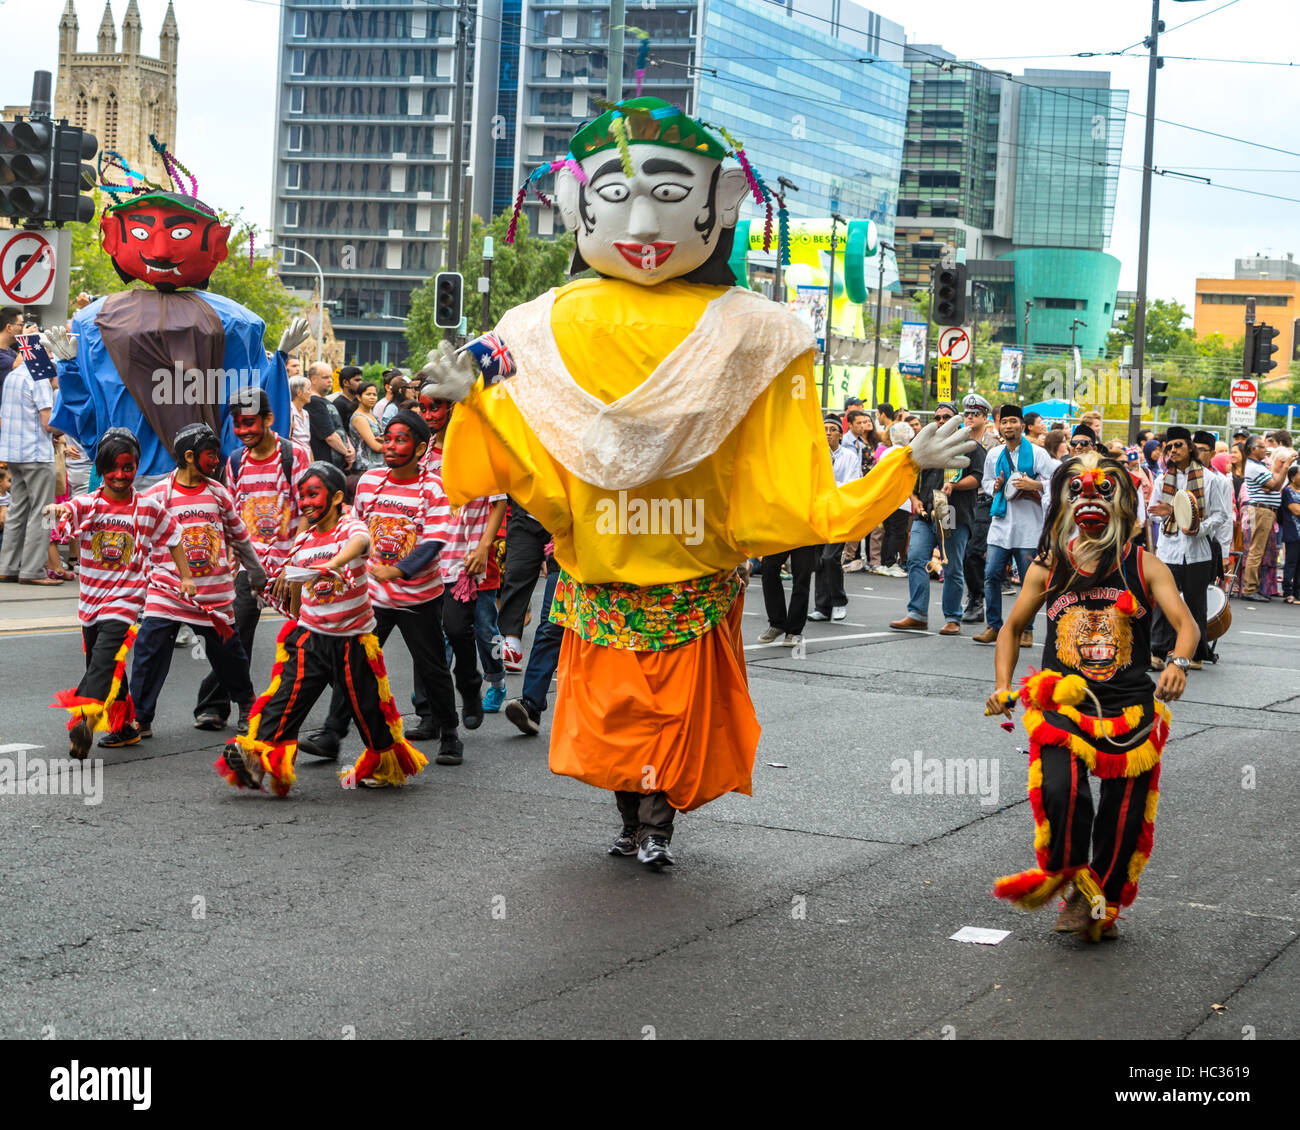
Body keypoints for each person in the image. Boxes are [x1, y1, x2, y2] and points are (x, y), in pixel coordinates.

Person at [421, 97, 974, 867]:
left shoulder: (758, 329)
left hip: (684, 573)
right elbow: (532, 473)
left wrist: (901, 464)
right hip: (608, 575)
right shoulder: (537, 328)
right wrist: (470, 397)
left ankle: (654, 821)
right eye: (618, 197)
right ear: (576, 206)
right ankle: (635, 815)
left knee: (665, 716)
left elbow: (791, 481)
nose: (645, 226)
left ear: (722, 205)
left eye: (672, 195)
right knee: (619, 717)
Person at [988, 451, 1197, 941]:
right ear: (1062, 501)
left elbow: (1186, 625)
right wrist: (1002, 686)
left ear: (1123, 502)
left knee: (1124, 816)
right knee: (1061, 792)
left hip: (1130, 711)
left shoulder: (1145, 565)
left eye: (1102, 489)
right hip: (1062, 706)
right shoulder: (1048, 565)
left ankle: (1098, 896)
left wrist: (1178, 663)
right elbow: (1011, 628)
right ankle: (1072, 877)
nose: (1088, 497)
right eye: (1076, 488)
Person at [216, 461, 427, 795]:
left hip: (354, 641)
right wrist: (294, 612)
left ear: (337, 496)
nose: (307, 502)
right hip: (311, 639)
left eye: (314, 493)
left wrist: (331, 565)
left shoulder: (349, 527)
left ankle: (386, 765)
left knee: (369, 707)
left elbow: (360, 543)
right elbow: (297, 586)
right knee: (283, 700)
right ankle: (256, 762)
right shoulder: (303, 542)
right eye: (303, 496)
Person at [298, 411, 462, 765]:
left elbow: (434, 541)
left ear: (420, 448)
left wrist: (400, 569)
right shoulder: (370, 481)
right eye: (386, 439)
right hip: (372, 599)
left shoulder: (434, 488)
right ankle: (332, 733)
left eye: (399, 440)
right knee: (354, 666)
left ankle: (449, 733)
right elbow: (352, 528)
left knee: (431, 665)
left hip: (419, 599)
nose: (389, 446)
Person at [45, 430, 195, 757]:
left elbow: (173, 536)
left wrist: (186, 576)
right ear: (100, 468)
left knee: (102, 661)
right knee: (107, 664)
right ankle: (126, 727)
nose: (120, 475)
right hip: (91, 601)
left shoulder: (147, 508)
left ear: (137, 467)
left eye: (127, 468)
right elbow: (68, 511)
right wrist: (57, 513)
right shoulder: (88, 504)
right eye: (112, 467)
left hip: (126, 600)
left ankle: (85, 720)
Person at [119, 424, 264, 748]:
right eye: (210, 454)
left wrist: (257, 575)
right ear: (188, 456)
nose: (215, 460)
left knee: (230, 656)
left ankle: (246, 705)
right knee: (148, 651)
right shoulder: (157, 495)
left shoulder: (218, 494)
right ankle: (140, 718)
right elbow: (137, 540)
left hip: (213, 595)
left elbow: (240, 537)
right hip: (167, 592)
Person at [194, 387, 311, 730]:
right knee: (233, 634)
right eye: (238, 425)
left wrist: (295, 561)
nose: (243, 431)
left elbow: (307, 509)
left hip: (291, 563)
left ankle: (341, 710)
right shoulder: (233, 461)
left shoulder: (294, 456)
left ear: (269, 419)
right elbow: (232, 514)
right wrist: (231, 563)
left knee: (314, 635)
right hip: (251, 565)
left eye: (250, 423)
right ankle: (216, 704)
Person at [891, 401, 987, 635]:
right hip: (925, 514)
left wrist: (955, 485)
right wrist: (914, 499)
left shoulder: (970, 446)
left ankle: (952, 618)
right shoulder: (921, 446)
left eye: (946, 417)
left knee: (952, 567)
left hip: (952, 515)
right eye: (937, 418)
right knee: (915, 559)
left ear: (957, 421)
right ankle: (917, 614)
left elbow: (977, 478)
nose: (941, 421)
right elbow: (910, 478)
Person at [1148, 426, 1232, 670]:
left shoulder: (1210, 479)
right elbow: (1153, 514)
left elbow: (1221, 515)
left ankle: (1195, 654)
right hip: (1169, 550)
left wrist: (1198, 528)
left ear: (1190, 448)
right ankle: (1158, 652)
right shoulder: (1163, 479)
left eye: (1178, 445)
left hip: (1199, 552)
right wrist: (1169, 515)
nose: (1173, 450)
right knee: (1165, 602)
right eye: (1169, 447)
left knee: (1196, 603)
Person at [973, 405, 1054, 647]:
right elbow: (985, 481)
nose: (1008, 426)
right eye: (1004, 422)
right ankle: (994, 626)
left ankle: (1026, 629)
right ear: (999, 425)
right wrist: (995, 486)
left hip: (1029, 528)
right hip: (1000, 524)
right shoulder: (994, 454)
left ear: (1022, 425)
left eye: (1013, 421)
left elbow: (1055, 481)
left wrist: (1034, 485)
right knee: (991, 576)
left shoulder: (1039, 454)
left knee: (1030, 582)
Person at [0, 336, 59, 584]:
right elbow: (47, 423)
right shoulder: (39, 379)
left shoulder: (13, 376)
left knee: (17, 510)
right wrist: (63, 429)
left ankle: (8, 566)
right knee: (43, 513)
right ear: (41, 353)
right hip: (36, 453)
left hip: (13, 453)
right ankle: (33, 570)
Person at [808, 415, 862, 622]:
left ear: (841, 433)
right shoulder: (816, 457)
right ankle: (822, 606)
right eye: (825, 429)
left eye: (832, 429)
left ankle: (839, 602)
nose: (828, 432)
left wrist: (829, 489)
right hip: (820, 513)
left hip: (839, 512)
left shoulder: (849, 456)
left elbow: (851, 484)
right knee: (819, 561)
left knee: (830, 558)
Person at [960, 394, 996, 625]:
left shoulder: (993, 444)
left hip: (983, 501)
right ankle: (965, 597)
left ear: (985, 417)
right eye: (967, 414)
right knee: (956, 553)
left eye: (975, 414)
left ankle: (977, 598)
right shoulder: (957, 439)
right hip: (959, 501)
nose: (970, 418)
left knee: (973, 553)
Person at [1240, 434, 1288, 601]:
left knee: (1258, 550)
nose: (1265, 451)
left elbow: (1270, 486)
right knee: (1256, 551)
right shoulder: (1254, 467)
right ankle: (1250, 589)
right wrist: (1286, 466)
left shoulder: (1258, 466)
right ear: (1253, 450)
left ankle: (1253, 587)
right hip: (1261, 510)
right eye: (1262, 448)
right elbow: (1274, 485)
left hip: (1263, 510)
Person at [305, 361, 354, 469]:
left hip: (337, 463)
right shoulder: (313, 402)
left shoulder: (326, 401)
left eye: (331, 377)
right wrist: (346, 452)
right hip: (325, 465)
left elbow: (339, 427)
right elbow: (329, 436)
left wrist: (350, 448)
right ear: (313, 379)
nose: (330, 381)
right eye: (325, 377)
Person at [348, 381, 386, 472]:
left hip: (379, 466)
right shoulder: (359, 418)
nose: (372, 397)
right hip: (365, 467)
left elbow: (383, 438)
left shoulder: (373, 416)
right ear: (359, 397)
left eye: (374, 394)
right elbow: (375, 446)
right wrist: (392, 446)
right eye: (368, 394)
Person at [1280, 464, 1300, 604]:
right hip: (1293, 532)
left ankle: (1297, 592)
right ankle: (1288, 592)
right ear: (1293, 477)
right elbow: (1296, 510)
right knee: (1291, 562)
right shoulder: (1288, 491)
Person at [331, 366, 366, 433]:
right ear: (345, 382)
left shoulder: (359, 402)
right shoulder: (339, 404)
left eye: (361, 380)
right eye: (357, 380)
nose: (361, 383)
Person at [288, 374, 312, 449]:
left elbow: (307, 442)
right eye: (308, 389)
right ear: (299, 392)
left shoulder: (305, 413)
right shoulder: (289, 412)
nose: (311, 393)